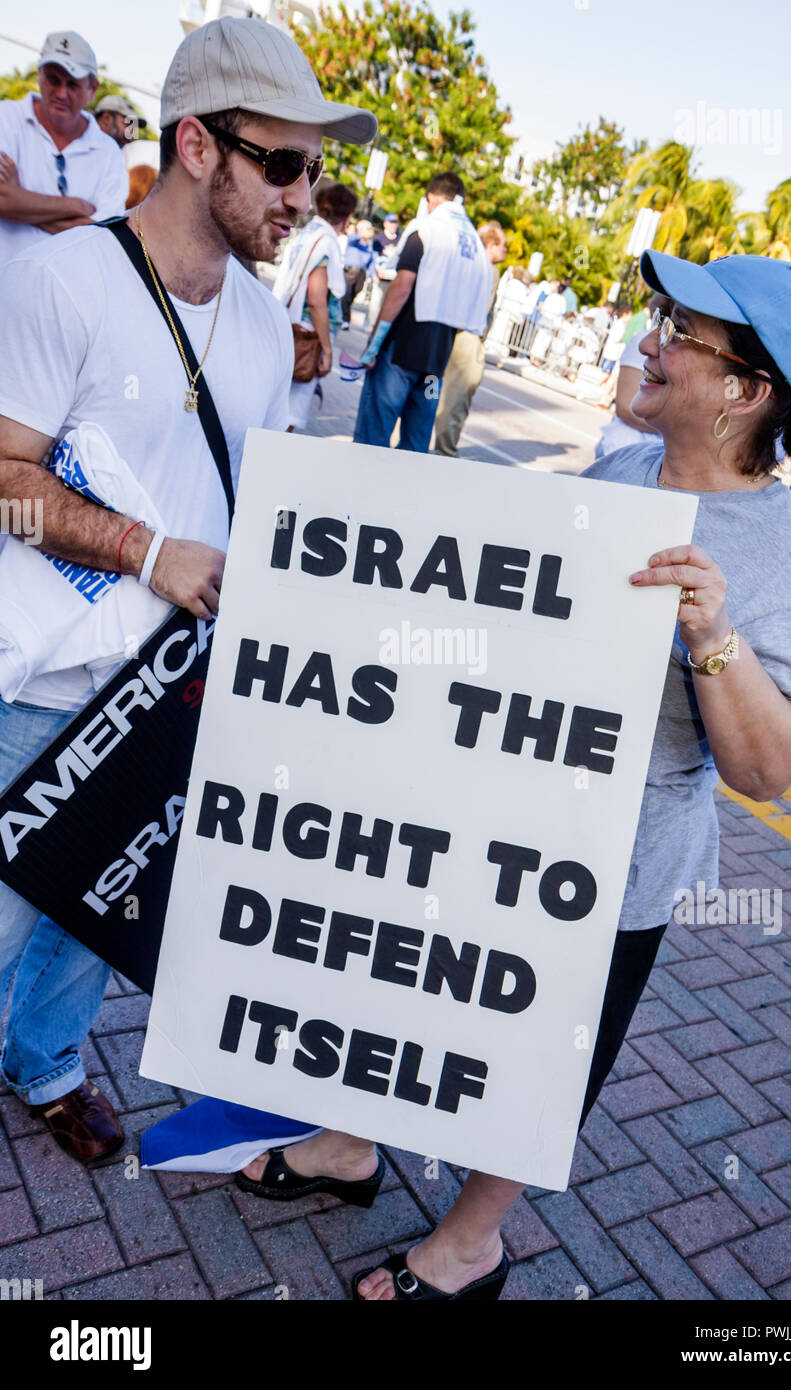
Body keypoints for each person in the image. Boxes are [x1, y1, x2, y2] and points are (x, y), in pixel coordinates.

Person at [238, 251, 791, 1302]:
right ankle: (349, 1145)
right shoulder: (619, 476)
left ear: (741, 393)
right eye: (657, 316)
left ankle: (471, 1243)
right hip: (492, 824)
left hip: (607, 874)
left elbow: (765, 771)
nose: (644, 342)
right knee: (416, 997)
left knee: (534, 1066)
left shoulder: (782, 555)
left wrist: (712, 636)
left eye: (676, 333)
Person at [0, 15, 375, 1164]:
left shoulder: (266, 326)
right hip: (42, 680)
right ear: (198, 146)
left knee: (100, 910)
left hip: (176, 689)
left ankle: (48, 1061)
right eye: (282, 163)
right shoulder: (64, 277)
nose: (305, 195)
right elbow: (5, 479)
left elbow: (262, 506)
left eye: (317, 169)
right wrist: (140, 549)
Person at [352, 171, 492, 453]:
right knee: (416, 442)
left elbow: (402, 286)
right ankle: (404, 496)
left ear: (431, 197)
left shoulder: (427, 228)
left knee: (372, 438)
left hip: (402, 346)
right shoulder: (474, 242)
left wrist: (374, 343)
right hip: (437, 359)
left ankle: (359, 491)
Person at [0, 30, 127, 268]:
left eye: (72, 84)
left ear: (92, 88)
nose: (61, 93)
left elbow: (102, 237)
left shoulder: (108, 152)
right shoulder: (5, 117)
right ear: (39, 75)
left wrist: (19, 202)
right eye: (53, 79)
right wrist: (75, 206)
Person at [273, 181, 358, 430]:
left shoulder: (308, 233)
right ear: (347, 216)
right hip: (307, 335)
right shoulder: (326, 242)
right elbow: (318, 298)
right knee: (288, 416)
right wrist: (327, 348)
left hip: (286, 324)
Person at [433, 220, 507, 455]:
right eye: (502, 245)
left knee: (431, 394)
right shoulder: (489, 270)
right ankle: (445, 455)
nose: (505, 250)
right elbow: (482, 309)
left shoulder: (466, 262)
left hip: (448, 332)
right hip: (466, 338)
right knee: (455, 404)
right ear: (491, 244)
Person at [595, 295, 663, 457]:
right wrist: (677, 432)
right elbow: (626, 408)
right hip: (625, 449)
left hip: (651, 455)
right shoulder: (646, 339)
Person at [341, 217, 376, 326]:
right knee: (347, 294)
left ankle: (343, 314)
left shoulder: (369, 246)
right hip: (350, 269)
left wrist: (373, 274)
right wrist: (361, 233)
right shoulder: (353, 240)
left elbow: (372, 261)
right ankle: (345, 319)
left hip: (361, 273)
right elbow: (350, 239)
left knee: (355, 292)